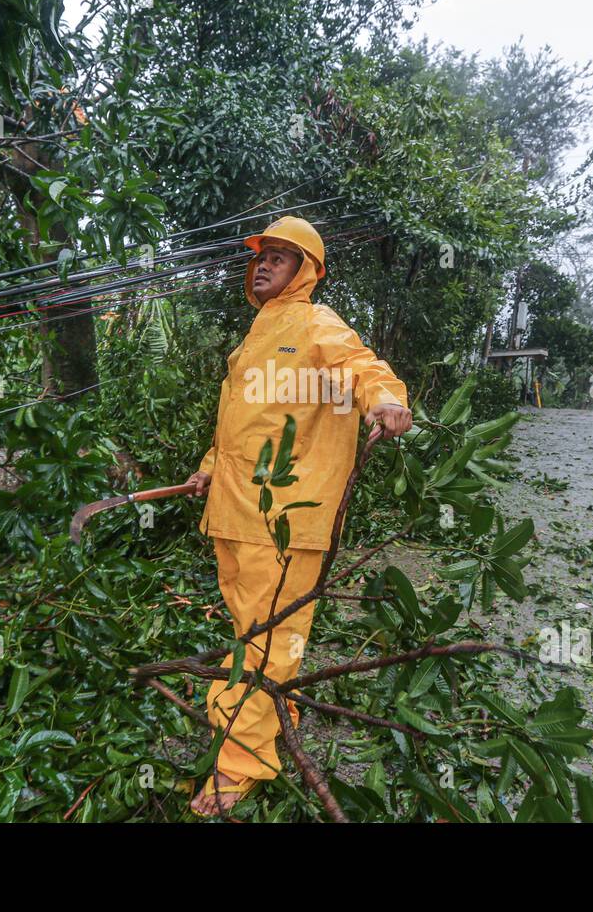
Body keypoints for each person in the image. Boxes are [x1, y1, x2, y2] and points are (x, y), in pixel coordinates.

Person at [185, 215, 412, 817]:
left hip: (286, 517)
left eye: (280, 258)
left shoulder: (316, 325)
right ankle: (272, 711)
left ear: (305, 271)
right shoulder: (253, 337)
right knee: (247, 631)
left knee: (267, 639)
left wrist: (387, 399)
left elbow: (361, 367)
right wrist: (208, 466)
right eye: (261, 256)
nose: (263, 265)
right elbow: (239, 421)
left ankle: (240, 765)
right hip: (233, 510)